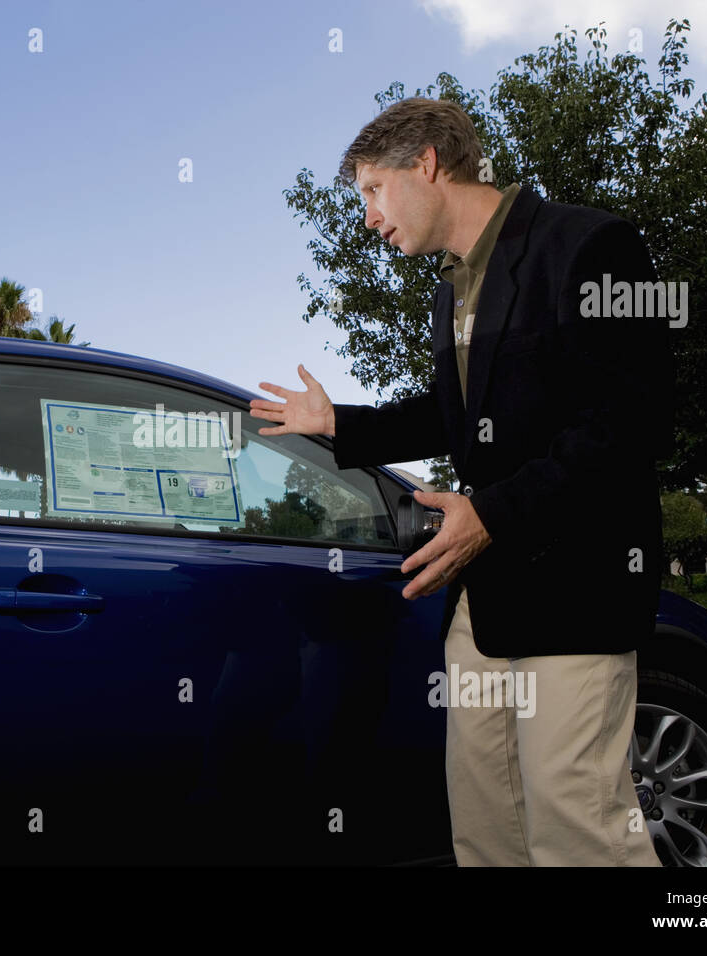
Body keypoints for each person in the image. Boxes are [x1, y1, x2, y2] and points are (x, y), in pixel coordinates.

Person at [249, 97, 672, 866]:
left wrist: (491, 513)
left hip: (577, 592)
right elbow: (454, 414)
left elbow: (626, 427)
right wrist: (339, 423)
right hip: (484, 600)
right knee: (484, 822)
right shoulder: (452, 289)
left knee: (575, 823)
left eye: (374, 191)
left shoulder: (590, 245)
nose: (369, 218)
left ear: (428, 164)